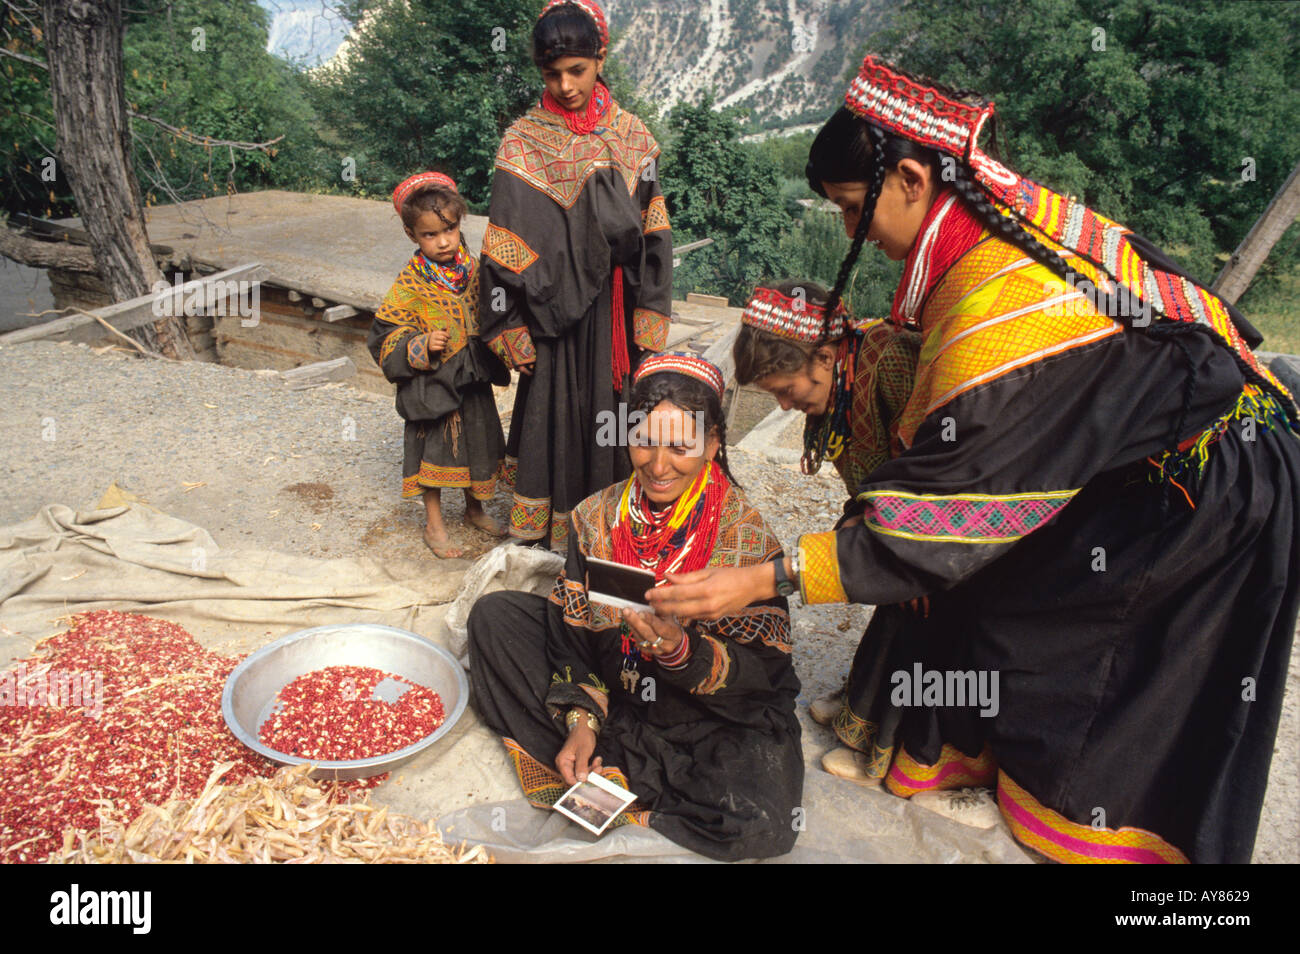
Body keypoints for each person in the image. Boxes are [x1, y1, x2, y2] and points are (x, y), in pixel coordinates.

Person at [647, 55, 1300, 863]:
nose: (854, 235)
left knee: (1106, 655)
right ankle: (984, 758)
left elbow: (950, 510)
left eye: (854, 210)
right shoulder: (1010, 227)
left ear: (913, 180)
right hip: (1169, 448)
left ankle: (1105, 839)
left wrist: (758, 579)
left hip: (1205, 480)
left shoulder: (997, 305)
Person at [467, 353, 803, 861]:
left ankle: (613, 776)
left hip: (700, 716)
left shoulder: (748, 540)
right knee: (494, 619)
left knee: (762, 821)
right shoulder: (596, 516)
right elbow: (569, 629)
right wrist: (582, 719)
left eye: (681, 445)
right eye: (644, 439)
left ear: (712, 444)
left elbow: (766, 676)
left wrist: (680, 651)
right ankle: (593, 748)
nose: (658, 463)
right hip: (610, 686)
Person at [478, 0, 673, 552]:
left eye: (577, 71)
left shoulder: (634, 137)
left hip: (616, 310)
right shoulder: (522, 142)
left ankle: (614, 532)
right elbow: (502, 242)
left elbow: (656, 228)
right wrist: (506, 324)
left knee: (618, 417)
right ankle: (557, 536)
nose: (565, 85)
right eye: (551, 74)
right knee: (556, 418)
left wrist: (651, 311)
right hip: (551, 315)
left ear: (600, 58)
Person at [735, 280, 923, 778]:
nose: (783, 406)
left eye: (785, 390)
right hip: (892, 519)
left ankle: (897, 741)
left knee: (916, 610)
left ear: (822, 356)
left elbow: (930, 467)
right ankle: (864, 704)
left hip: (934, 527)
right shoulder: (838, 385)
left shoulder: (890, 361)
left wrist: (915, 554)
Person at [367, 172, 509, 558]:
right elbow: (381, 337)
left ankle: (473, 508)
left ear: (460, 223)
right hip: (430, 389)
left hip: (472, 379)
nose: (443, 240)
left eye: (449, 228)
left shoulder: (475, 270)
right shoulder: (410, 284)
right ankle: (434, 523)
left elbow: (496, 310)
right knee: (432, 451)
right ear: (412, 235)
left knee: (477, 445)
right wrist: (419, 345)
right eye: (430, 234)